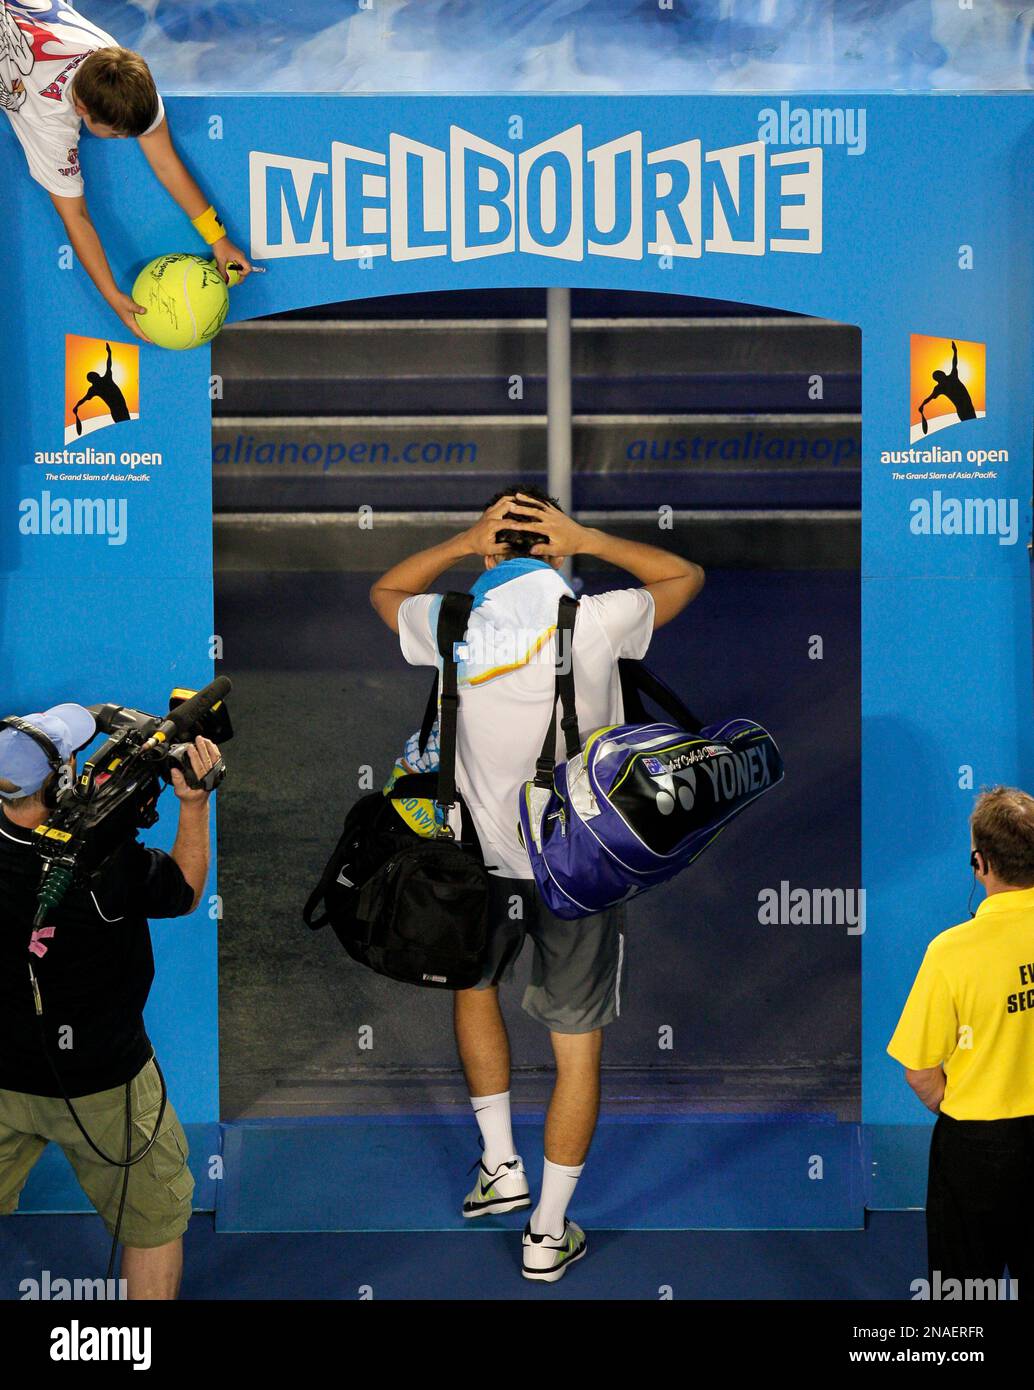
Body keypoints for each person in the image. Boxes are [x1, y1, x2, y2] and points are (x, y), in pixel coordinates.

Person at [370, 486, 704, 1282]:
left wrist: (460, 542)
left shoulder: (448, 622)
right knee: (576, 1051)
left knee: (473, 987)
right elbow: (684, 575)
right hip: (578, 872)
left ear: (491, 550)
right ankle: (547, 1234)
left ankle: (500, 1166)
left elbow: (384, 591)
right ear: (554, 549)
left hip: (472, 868)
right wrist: (585, 537)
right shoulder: (598, 621)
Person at [0, 700, 221, 1300]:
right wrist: (195, 806)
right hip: (106, 1082)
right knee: (151, 1222)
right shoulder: (108, 868)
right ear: (63, 778)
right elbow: (185, 891)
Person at [1, 0, 251, 340]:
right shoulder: (48, 122)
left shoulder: (117, 68)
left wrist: (218, 239)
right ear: (81, 109)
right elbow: (77, 218)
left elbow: (166, 163)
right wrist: (112, 295)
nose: (126, 139)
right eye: (118, 134)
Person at [887, 786, 1034, 1298]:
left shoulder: (951, 952)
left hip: (977, 1153)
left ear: (980, 863)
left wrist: (961, 1105)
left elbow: (920, 1071)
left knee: (966, 1294)